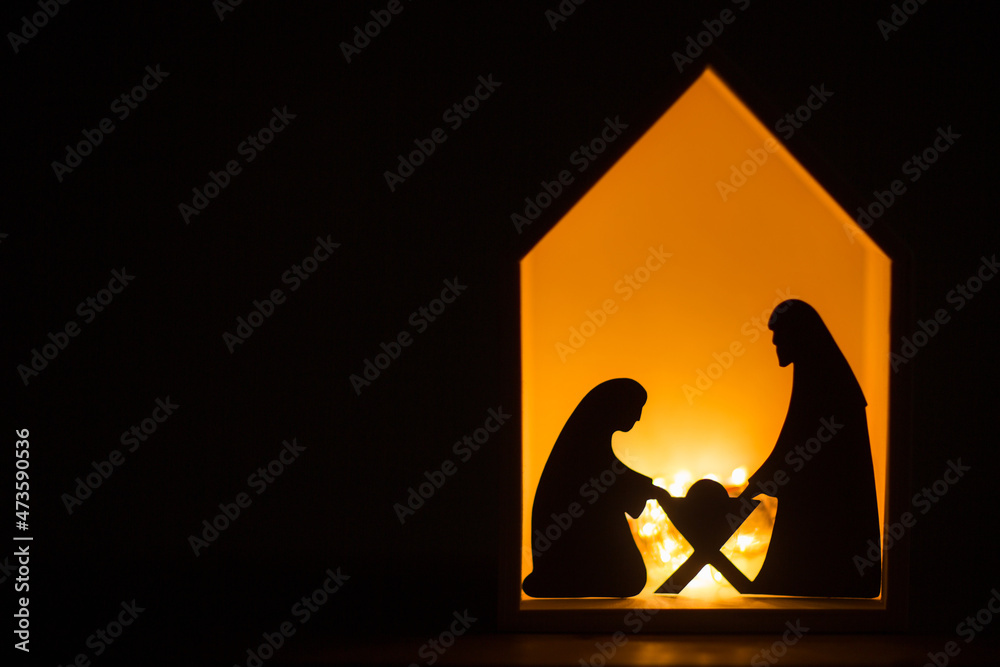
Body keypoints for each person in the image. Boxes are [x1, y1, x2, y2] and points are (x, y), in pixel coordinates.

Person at [736, 300, 881, 597]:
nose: (776, 345)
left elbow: (797, 440)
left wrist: (757, 483)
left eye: (779, 337)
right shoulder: (820, 376)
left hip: (826, 495)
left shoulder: (825, 383)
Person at [522, 378, 672, 598]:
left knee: (631, 575)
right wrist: (646, 487)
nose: (638, 417)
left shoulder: (586, 441)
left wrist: (645, 486)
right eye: (635, 408)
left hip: (580, 532)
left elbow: (609, 473)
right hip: (572, 538)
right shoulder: (581, 449)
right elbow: (604, 477)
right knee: (629, 577)